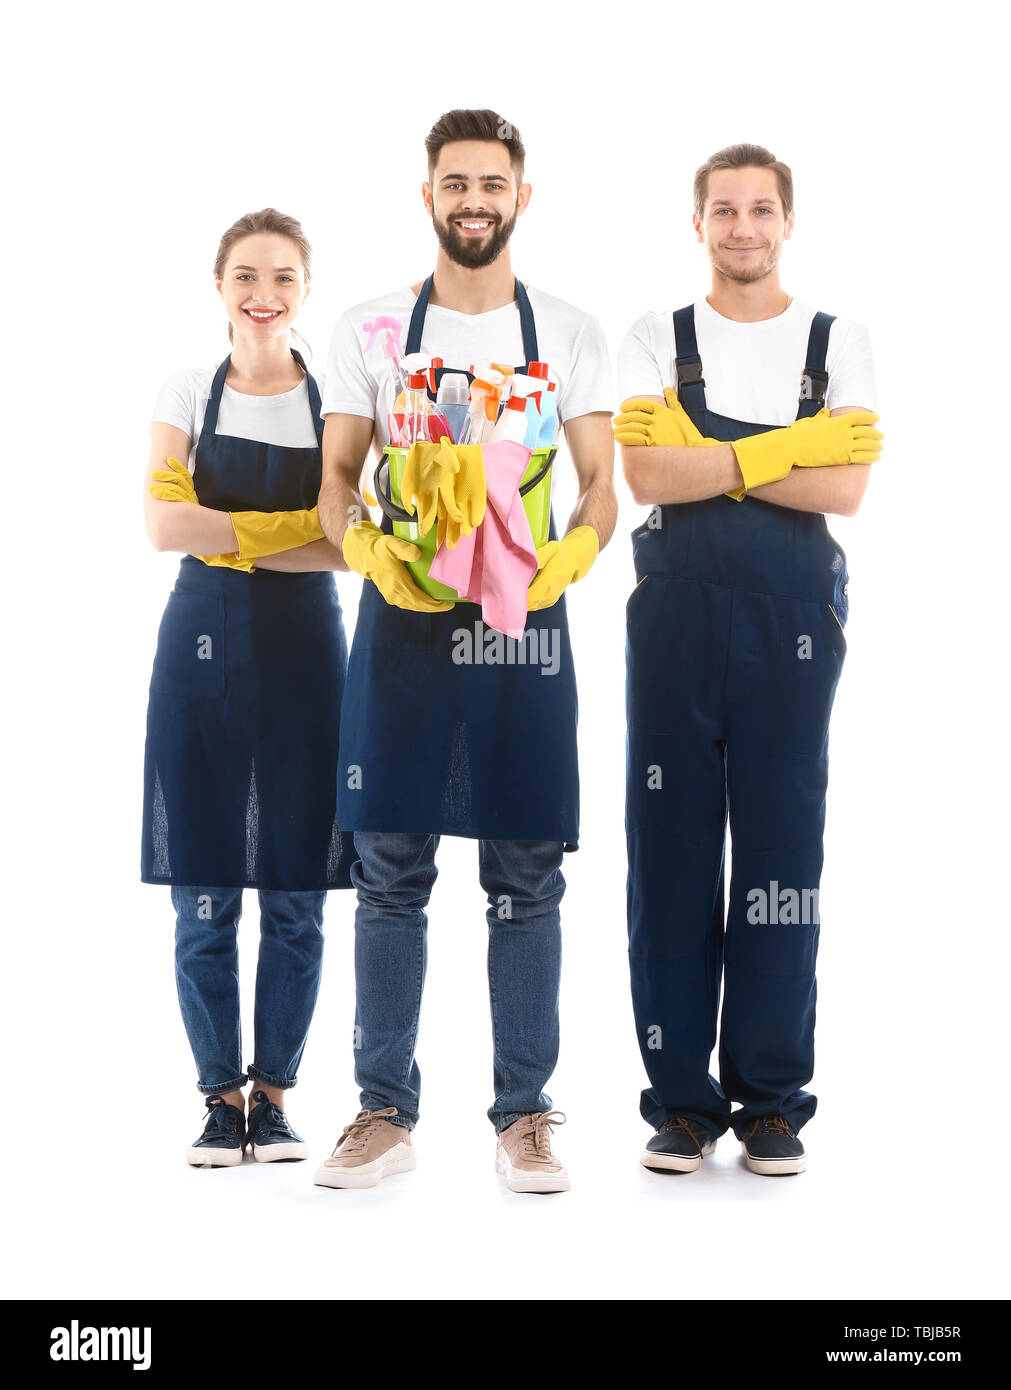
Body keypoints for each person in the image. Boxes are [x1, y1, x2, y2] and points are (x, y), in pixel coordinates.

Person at [315, 109, 615, 1192]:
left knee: (526, 872)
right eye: (455, 183)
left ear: (520, 197)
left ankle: (525, 1116)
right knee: (391, 867)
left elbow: (601, 488)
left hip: (523, 626)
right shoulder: (369, 328)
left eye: (492, 183)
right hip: (400, 622)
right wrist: (361, 546)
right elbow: (336, 476)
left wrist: (573, 553)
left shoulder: (567, 331)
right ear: (429, 195)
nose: (473, 200)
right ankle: (383, 1111)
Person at [614, 144, 882, 1177]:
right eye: (722, 210)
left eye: (759, 209)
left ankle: (771, 1102)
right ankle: (682, 1104)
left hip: (793, 624)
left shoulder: (837, 339)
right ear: (698, 225)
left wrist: (713, 463)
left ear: (786, 222)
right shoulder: (656, 335)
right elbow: (645, 472)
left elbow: (848, 491)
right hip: (675, 620)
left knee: (782, 861)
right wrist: (785, 453)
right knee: (670, 859)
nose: (741, 227)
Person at [142, 208, 355, 1167]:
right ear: (219, 288)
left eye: (282, 278)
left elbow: (351, 544)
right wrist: (283, 535)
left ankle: (274, 1096)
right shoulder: (187, 389)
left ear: (306, 291)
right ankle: (216, 1099)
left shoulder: (340, 404)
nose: (263, 296)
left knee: (298, 890)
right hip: (200, 651)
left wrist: (230, 528)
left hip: (311, 652)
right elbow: (161, 526)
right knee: (204, 888)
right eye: (245, 277)